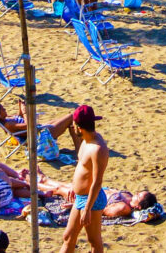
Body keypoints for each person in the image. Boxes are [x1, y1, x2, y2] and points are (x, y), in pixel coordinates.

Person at [60, 104, 109, 253]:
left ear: (79, 127)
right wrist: (73, 186)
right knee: (68, 236)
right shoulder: (85, 141)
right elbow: (82, 168)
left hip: (91, 200)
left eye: (73, 125)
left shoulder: (98, 148)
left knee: (93, 240)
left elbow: (97, 181)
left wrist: (87, 208)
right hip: (81, 197)